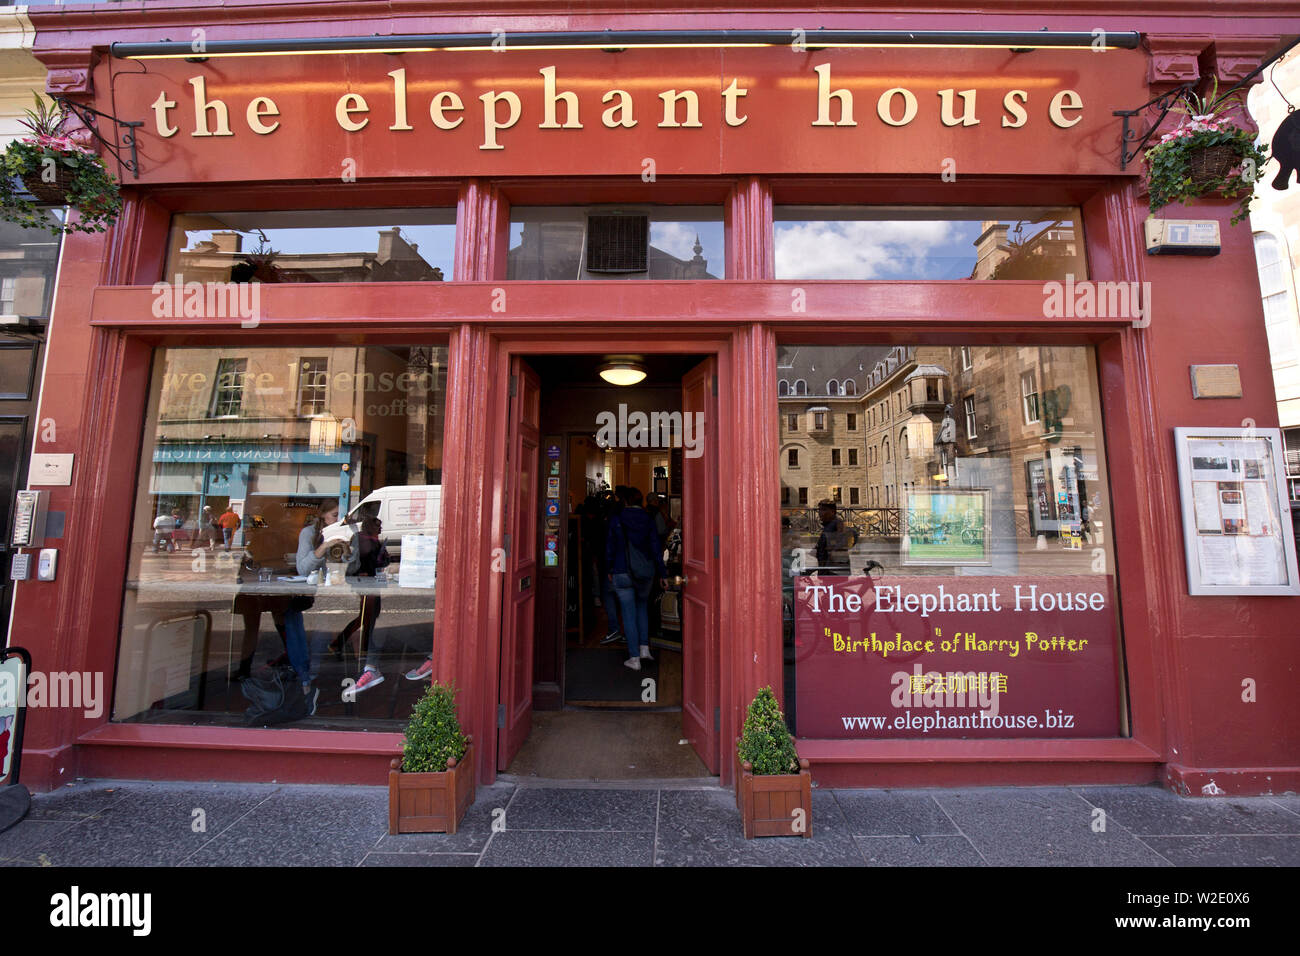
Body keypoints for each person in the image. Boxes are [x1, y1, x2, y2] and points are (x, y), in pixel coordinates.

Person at [284, 500, 348, 714]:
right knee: (306, 633)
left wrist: (348, 550)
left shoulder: (344, 532)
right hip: (312, 595)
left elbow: (352, 568)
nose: (338, 520)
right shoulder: (309, 533)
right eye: (334, 515)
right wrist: (324, 546)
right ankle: (306, 682)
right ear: (322, 515)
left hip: (336, 596)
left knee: (323, 636)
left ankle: (310, 681)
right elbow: (302, 568)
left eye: (341, 516)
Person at [606, 486, 667, 671]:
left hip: (621, 570)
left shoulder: (617, 519)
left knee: (628, 614)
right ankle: (644, 649)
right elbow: (656, 548)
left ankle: (634, 658)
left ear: (625, 501)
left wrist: (609, 568)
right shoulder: (648, 519)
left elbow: (610, 547)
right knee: (642, 609)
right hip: (645, 572)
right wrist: (662, 573)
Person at [342, 514, 392, 694]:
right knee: (368, 615)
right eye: (378, 526)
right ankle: (356, 649)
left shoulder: (374, 540)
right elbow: (358, 559)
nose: (380, 529)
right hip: (363, 581)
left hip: (372, 582)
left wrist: (383, 554)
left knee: (369, 615)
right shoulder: (362, 539)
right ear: (370, 526)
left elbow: (383, 560)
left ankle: (349, 646)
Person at [815, 499, 853, 574]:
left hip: (835, 571)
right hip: (830, 569)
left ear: (832, 511)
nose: (820, 513)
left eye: (824, 510)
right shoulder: (828, 525)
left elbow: (839, 547)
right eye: (819, 510)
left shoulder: (837, 524)